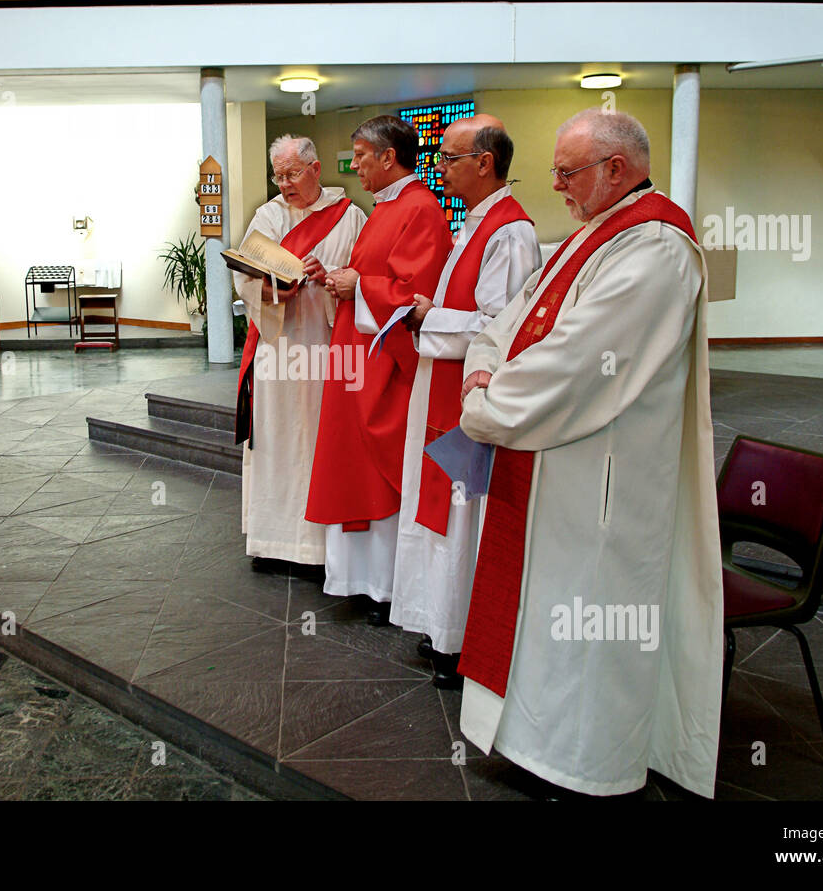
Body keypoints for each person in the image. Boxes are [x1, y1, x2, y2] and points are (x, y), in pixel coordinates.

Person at [456, 107, 723, 798]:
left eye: (567, 173)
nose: (557, 186)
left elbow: (576, 366)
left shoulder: (656, 248)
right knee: (546, 622)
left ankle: (585, 766)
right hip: (547, 469)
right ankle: (534, 746)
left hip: (602, 484)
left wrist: (487, 402)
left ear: (615, 170)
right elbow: (504, 327)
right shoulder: (589, 237)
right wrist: (485, 371)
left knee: (587, 627)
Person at [390, 115, 540, 687]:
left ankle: (462, 640)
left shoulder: (510, 231)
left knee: (461, 513)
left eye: (450, 158)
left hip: (468, 394)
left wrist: (429, 315)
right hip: (440, 383)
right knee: (439, 514)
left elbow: (503, 327)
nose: (439, 167)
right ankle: (440, 627)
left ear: (485, 162)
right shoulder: (474, 222)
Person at [305, 115, 452, 624]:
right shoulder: (386, 208)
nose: (357, 167)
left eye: (362, 157)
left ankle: (384, 585)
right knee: (351, 461)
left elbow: (419, 296)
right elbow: (374, 276)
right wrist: (340, 279)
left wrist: (359, 287)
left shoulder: (422, 209)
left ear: (390, 157)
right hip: (357, 355)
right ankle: (359, 580)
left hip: (385, 365)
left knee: (378, 467)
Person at [233, 135, 367, 573]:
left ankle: (315, 548)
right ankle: (272, 540)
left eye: (292, 174)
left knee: (315, 437)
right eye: (279, 175)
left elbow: (363, 275)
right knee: (275, 436)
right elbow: (246, 278)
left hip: (325, 347)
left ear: (315, 168)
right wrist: (275, 286)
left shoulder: (350, 217)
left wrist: (331, 278)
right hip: (277, 347)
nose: (285, 183)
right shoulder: (267, 216)